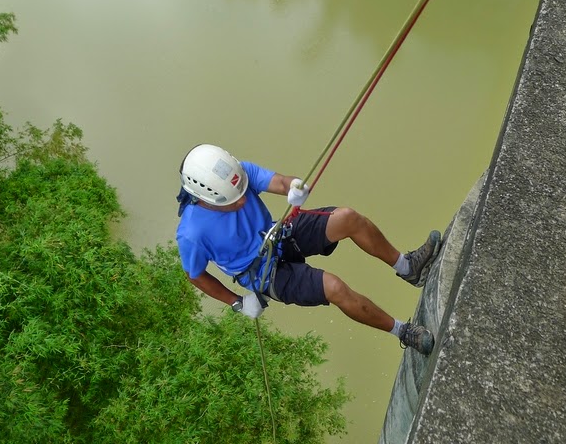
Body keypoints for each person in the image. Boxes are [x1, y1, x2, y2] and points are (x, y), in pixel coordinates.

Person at [174, 143, 442, 355]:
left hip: (276, 234)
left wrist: (295, 187)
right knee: (335, 288)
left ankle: (409, 269)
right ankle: (403, 332)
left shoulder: (236, 175)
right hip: (262, 272)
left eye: (244, 190)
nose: (244, 199)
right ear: (206, 198)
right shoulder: (192, 233)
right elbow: (195, 275)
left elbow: (279, 182)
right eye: (234, 200)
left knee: (348, 218)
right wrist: (237, 302)